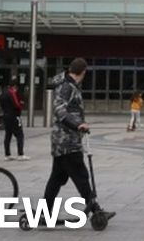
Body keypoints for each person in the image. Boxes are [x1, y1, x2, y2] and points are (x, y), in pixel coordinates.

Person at [44, 58, 115, 220]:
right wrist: (78, 125)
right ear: (83, 72)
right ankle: (96, 212)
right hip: (66, 141)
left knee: (56, 179)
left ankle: (45, 211)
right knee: (81, 177)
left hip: (64, 140)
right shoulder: (66, 87)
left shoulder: (70, 85)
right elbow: (60, 110)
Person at [0, 78, 28, 161]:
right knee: (20, 134)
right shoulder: (12, 92)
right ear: (15, 86)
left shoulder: (4, 93)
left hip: (6, 115)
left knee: (8, 135)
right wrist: (21, 104)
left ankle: (7, 154)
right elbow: (16, 104)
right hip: (14, 115)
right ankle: (20, 154)